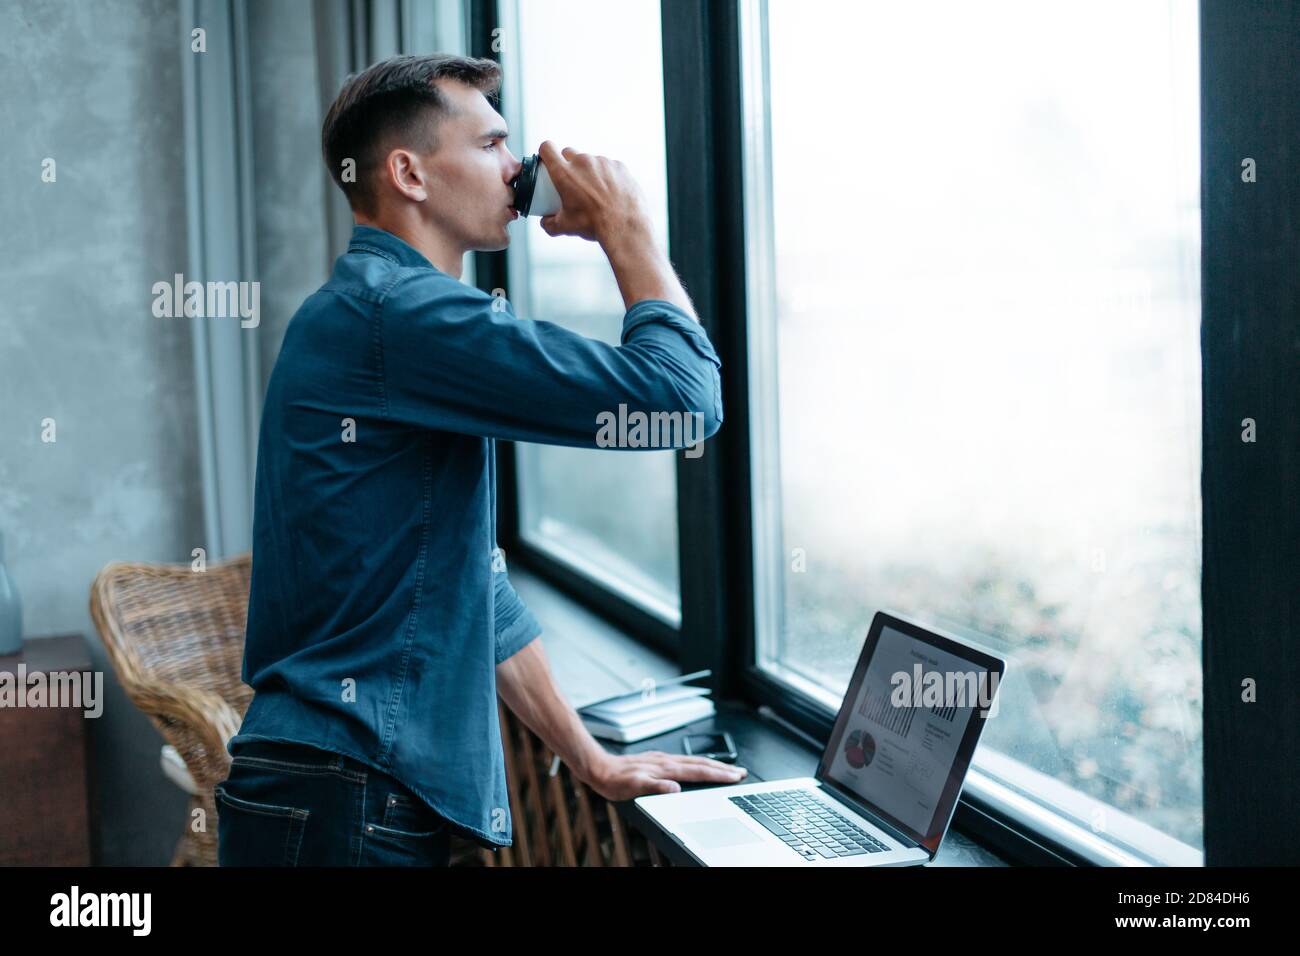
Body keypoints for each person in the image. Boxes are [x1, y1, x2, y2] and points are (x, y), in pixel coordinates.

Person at [215, 53, 746, 867]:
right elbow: (681, 404)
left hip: (328, 795)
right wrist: (628, 228)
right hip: (346, 801)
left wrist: (589, 758)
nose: (518, 166)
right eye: (493, 143)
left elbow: (474, 584)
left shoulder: (371, 315)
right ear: (409, 174)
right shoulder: (405, 314)